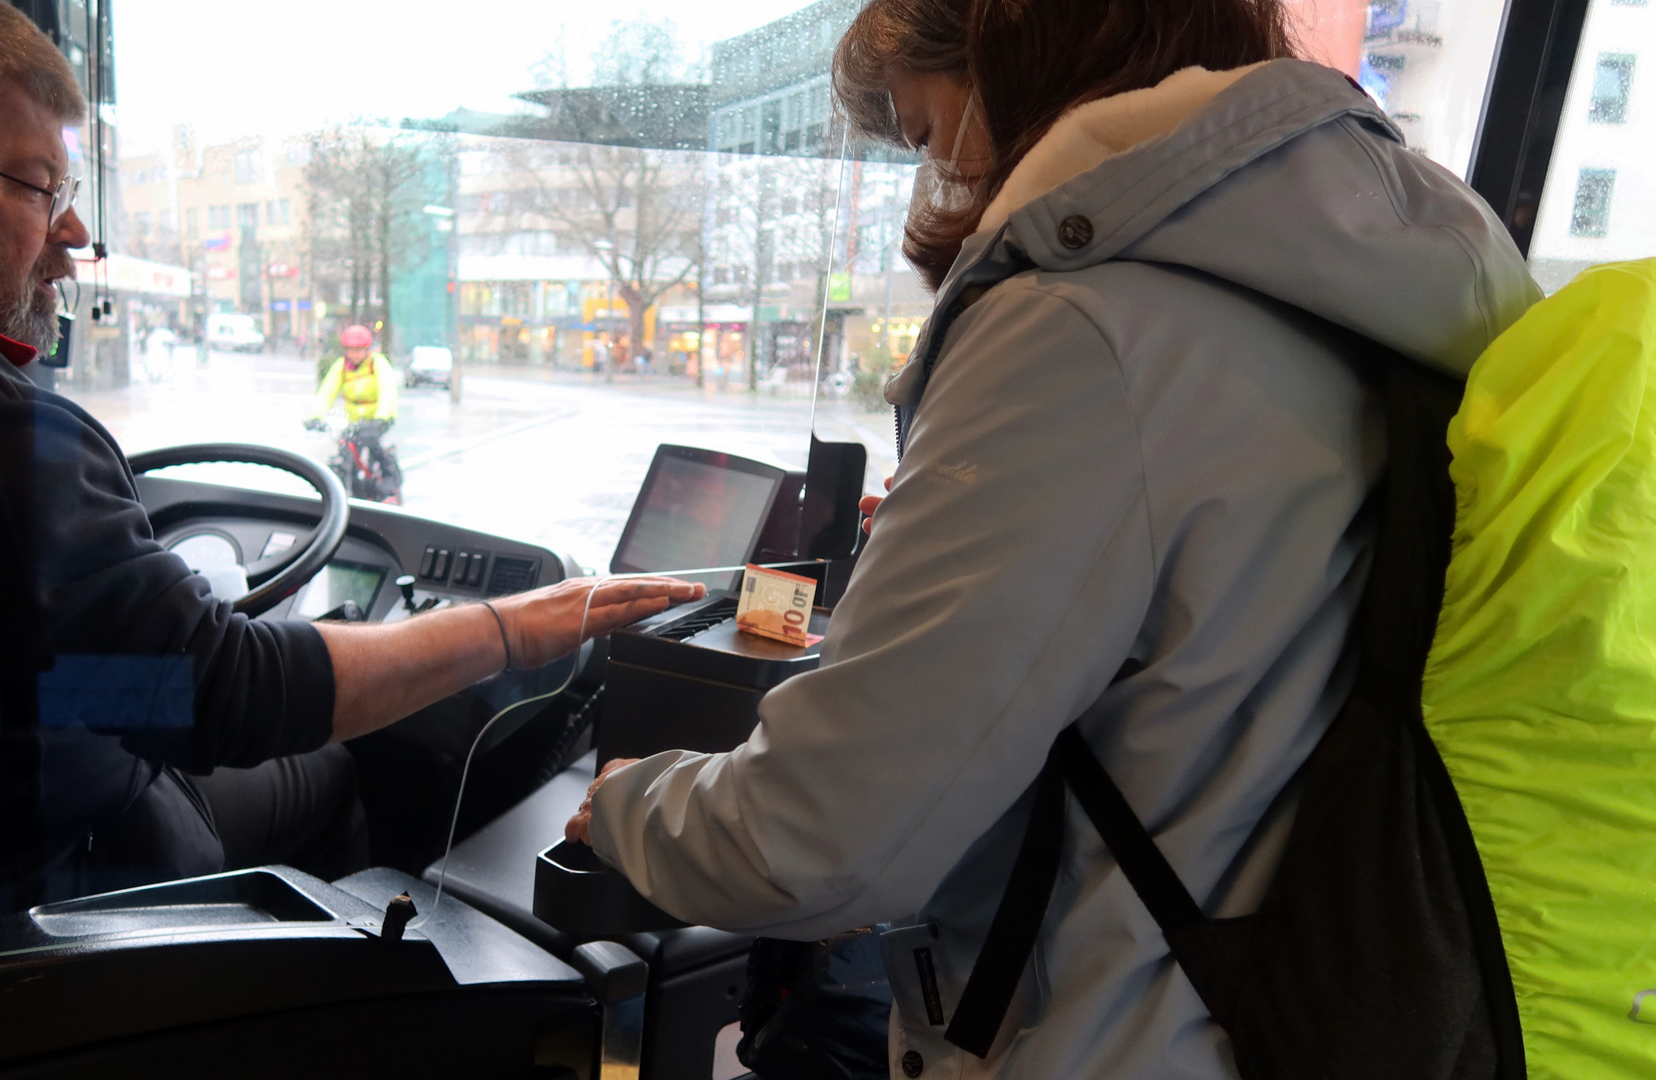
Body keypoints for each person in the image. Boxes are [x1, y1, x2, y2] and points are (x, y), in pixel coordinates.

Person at [566, 0, 1538, 1077]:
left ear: (1007, 62)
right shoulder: (1426, 272)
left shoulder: (1079, 325)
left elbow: (819, 843)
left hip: (1117, 1034)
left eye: (929, 137)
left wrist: (623, 805)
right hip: (1351, 996)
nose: (939, 187)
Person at [0, 0, 700, 985]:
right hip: (21, 913)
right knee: (327, 767)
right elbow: (231, 692)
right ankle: (325, 1009)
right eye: (36, 187)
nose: (73, 234)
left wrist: (140, 666)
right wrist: (516, 627)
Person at [306, 324, 404, 499]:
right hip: (354, 423)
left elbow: (387, 390)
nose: (355, 354)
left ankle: (388, 483)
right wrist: (316, 416)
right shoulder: (341, 366)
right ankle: (347, 493)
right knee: (345, 453)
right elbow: (326, 391)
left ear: (368, 350)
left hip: (378, 418)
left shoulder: (377, 364)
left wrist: (382, 417)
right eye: (351, 350)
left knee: (374, 445)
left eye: (359, 350)